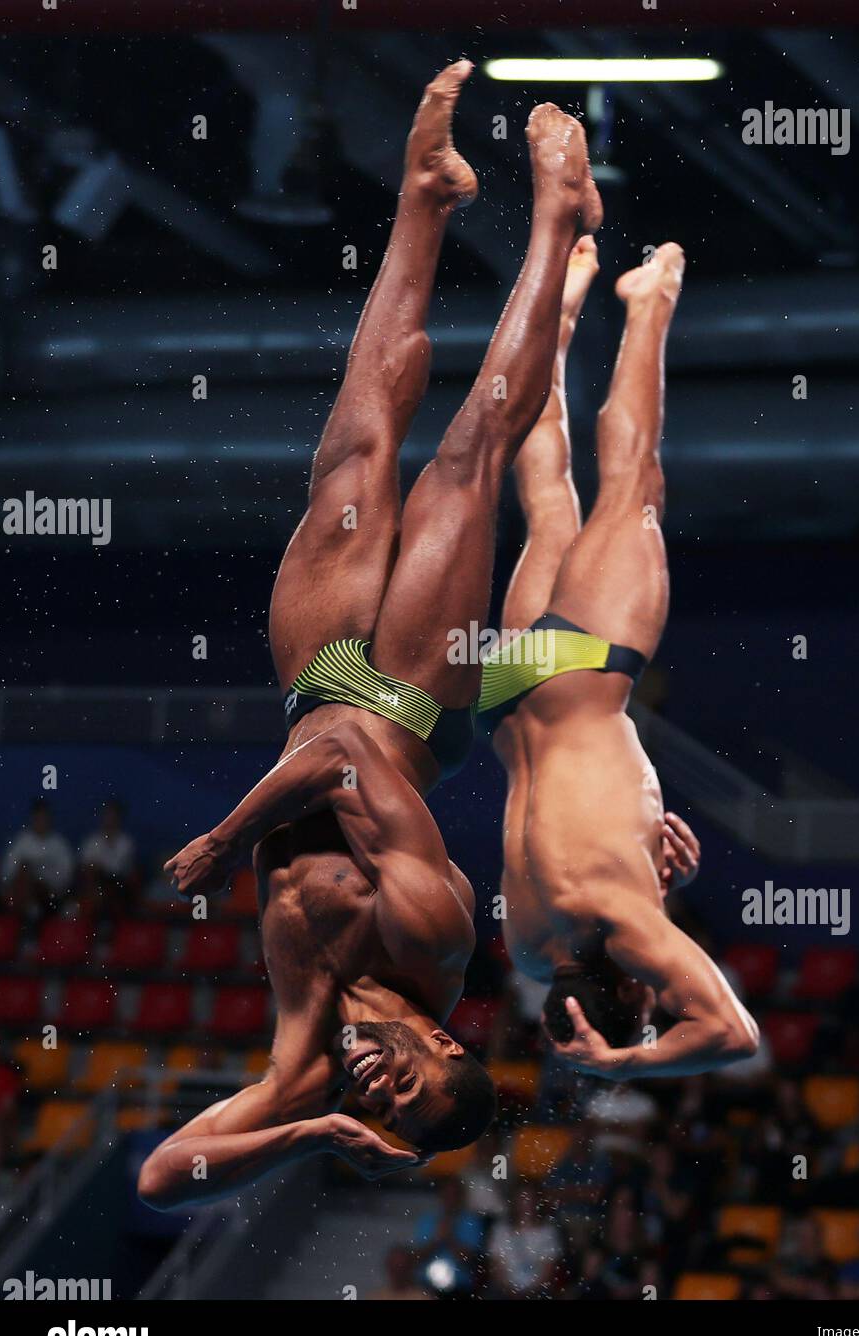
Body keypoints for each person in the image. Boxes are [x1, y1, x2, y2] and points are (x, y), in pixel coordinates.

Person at [138, 62, 603, 1209]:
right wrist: (217, 843)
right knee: (467, 457)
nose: (377, 1088)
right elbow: (344, 768)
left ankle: (426, 193)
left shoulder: (305, 1066)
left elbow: (161, 1177)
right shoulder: (433, 939)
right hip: (402, 705)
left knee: (351, 449)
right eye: (405, 1092)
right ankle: (557, 220)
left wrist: (315, 1138)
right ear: (448, 1051)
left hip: (318, 682)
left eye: (379, 1108)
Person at [477, 235, 758, 1080]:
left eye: (649, 1006)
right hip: (506, 698)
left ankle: (648, 301)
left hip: (576, 689)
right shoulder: (531, 949)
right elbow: (588, 858)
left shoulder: (622, 922)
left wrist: (624, 1066)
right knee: (547, 503)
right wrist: (654, 876)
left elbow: (732, 1034)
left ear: (635, 994)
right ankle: (555, 322)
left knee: (632, 487)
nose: (660, 997)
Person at [1, 799, 76, 910]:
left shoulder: (59, 844)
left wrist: (43, 881)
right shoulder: (21, 842)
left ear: (50, 819)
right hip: (24, 896)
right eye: (38, 818)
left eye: (44, 818)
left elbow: (67, 876)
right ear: (32, 819)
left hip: (52, 896)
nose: (41, 821)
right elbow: (7, 872)